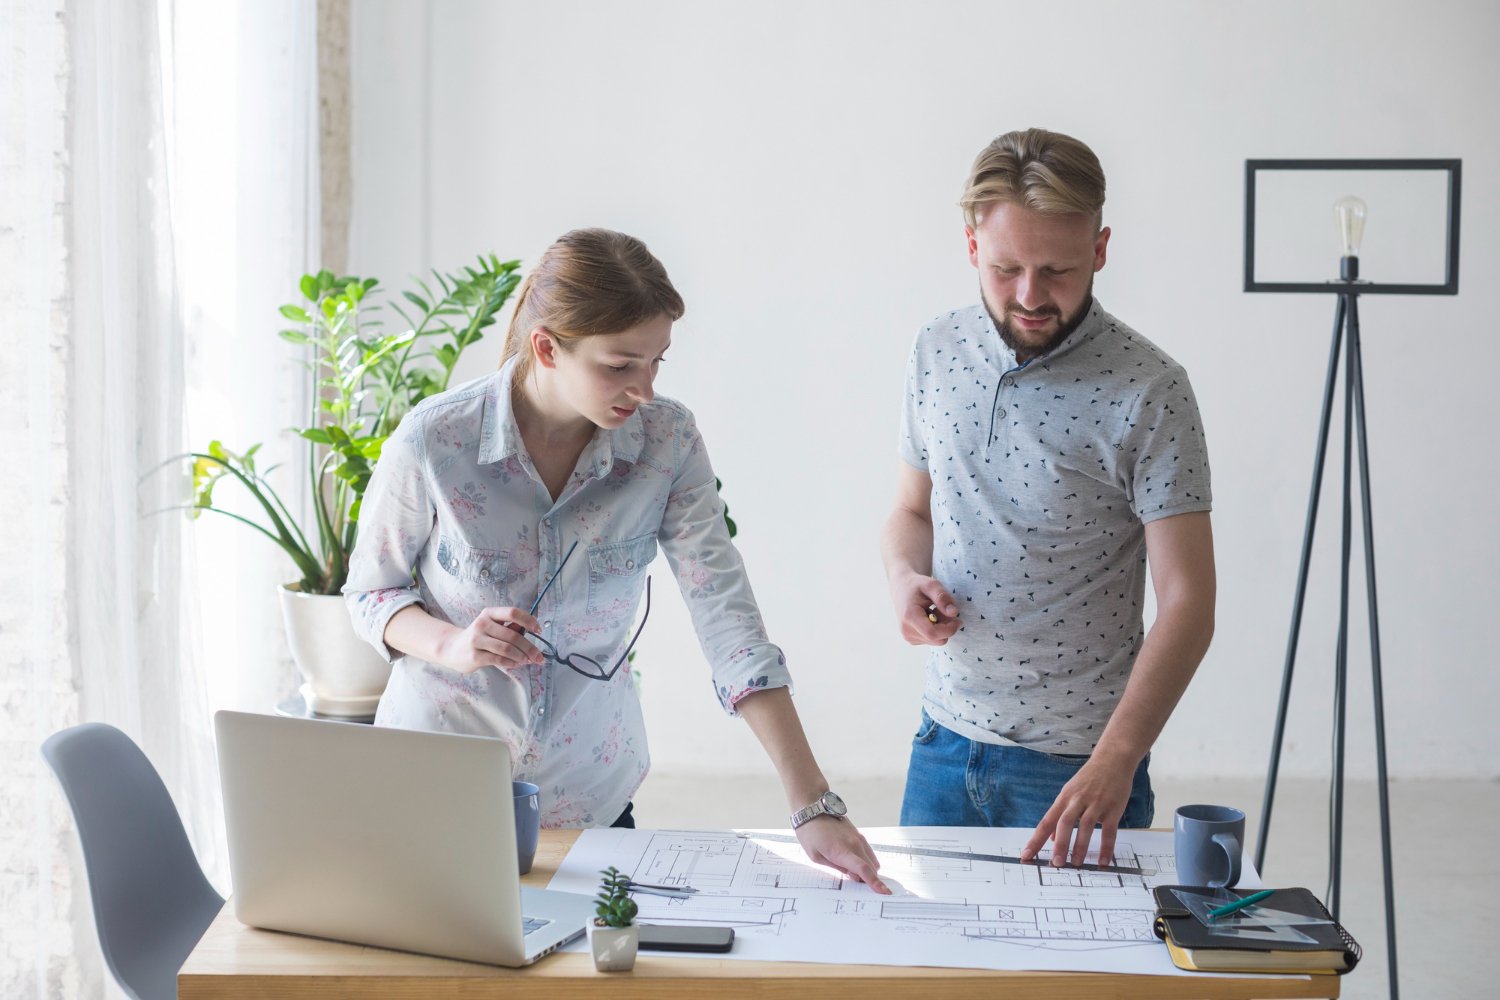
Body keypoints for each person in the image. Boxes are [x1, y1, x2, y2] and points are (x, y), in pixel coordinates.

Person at [346, 227, 887, 892]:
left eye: (657, 362)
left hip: (590, 795)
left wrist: (813, 804)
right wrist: (453, 644)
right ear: (547, 347)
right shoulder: (435, 440)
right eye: (620, 365)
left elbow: (727, 618)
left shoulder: (667, 442)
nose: (644, 389)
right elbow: (371, 592)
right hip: (438, 781)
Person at [882, 128, 1216, 869]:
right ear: (972, 246)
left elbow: (1189, 602)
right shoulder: (935, 350)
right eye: (1006, 269)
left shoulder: (1152, 389)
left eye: (1058, 270)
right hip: (941, 744)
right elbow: (911, 511)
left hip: (1079, 767)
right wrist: (904, 576)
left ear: (1100, 249)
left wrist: (1117, 758)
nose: (1030, 296)